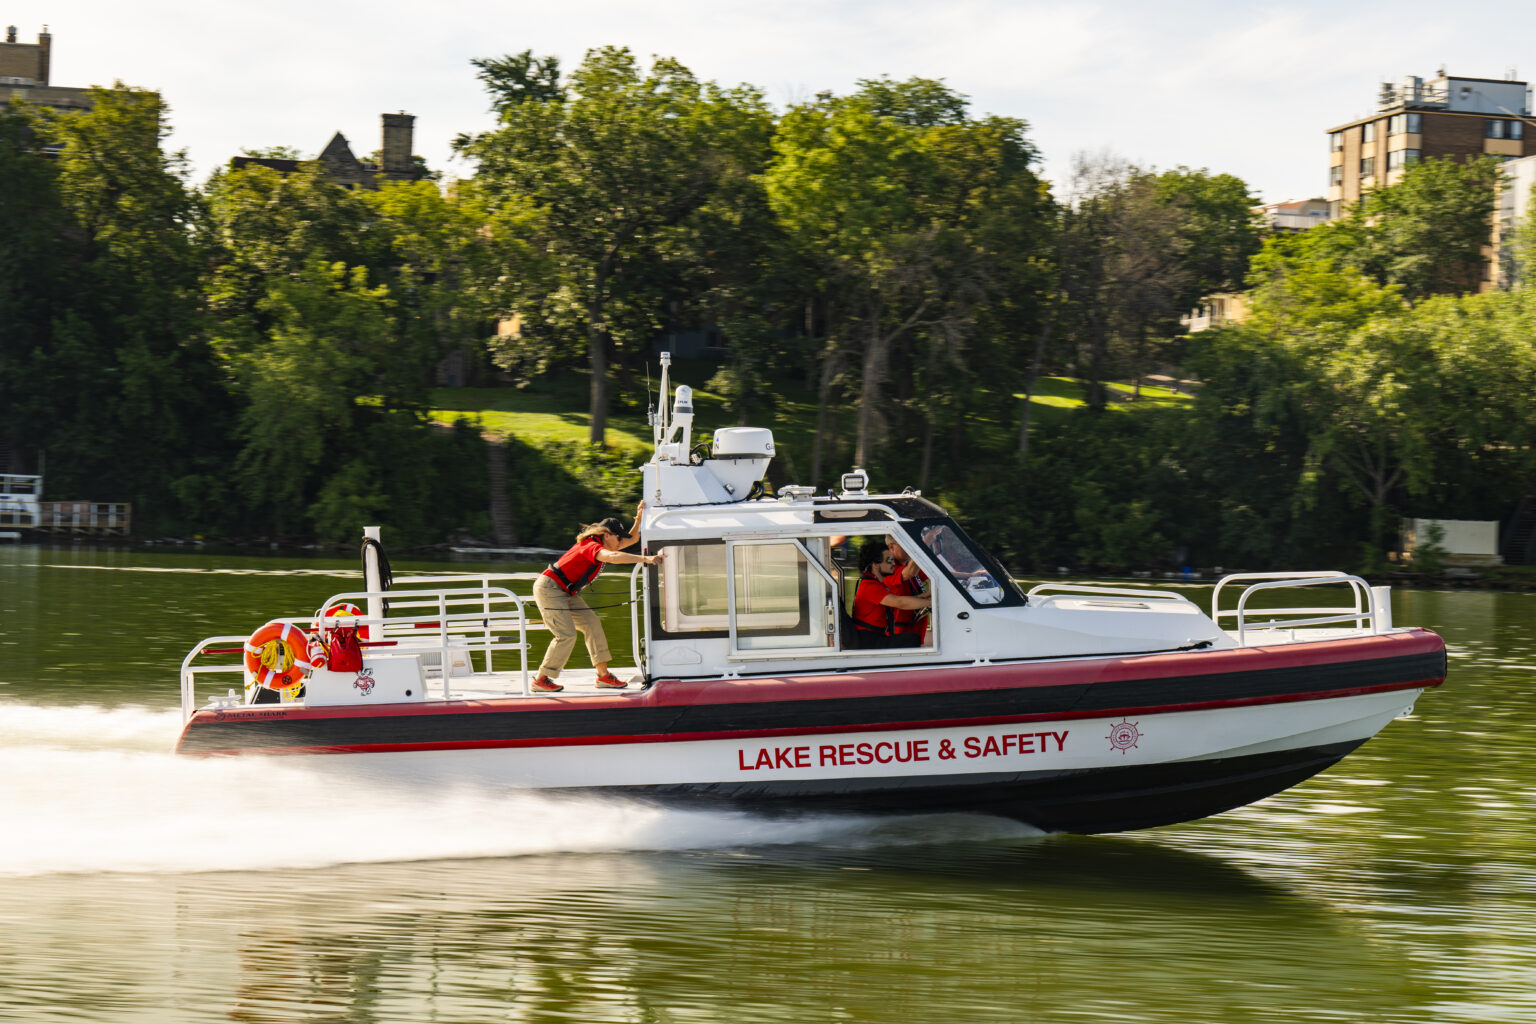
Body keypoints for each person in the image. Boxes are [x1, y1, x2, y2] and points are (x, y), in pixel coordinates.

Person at [532, 502, 663, 692]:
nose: (620, 543)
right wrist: (645, 559)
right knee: (566, 634)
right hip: (550, 589)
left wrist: (639, 518)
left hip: (566, 591)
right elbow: (614, 557)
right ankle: (541, 679)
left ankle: (603, 677)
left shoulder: (606, 542)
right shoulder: (591, 546)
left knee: (592, 624)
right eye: (618, 539)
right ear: (606, 535)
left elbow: (632, 539)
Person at [849, 540, 929, 649]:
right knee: (912, 639)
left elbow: (901, 600)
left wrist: (925, 597)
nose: (893, 563)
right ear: (876, 564)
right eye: (889, 560)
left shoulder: (876, 583)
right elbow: (899, 602)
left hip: (874, 637)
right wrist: (930, 603)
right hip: (870, 641)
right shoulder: (870, 586)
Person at [885, 535, 930, 643]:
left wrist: (970, 575)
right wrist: (923, 545)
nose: (910, 549)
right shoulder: (888, 567)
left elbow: (935, 575)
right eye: (906, 545)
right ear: (892, 547)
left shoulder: (909, 564)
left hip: (916, 625)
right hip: (901, 631)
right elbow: (909, 573)